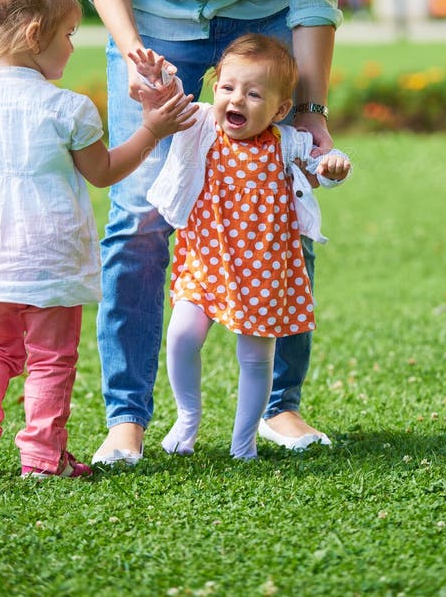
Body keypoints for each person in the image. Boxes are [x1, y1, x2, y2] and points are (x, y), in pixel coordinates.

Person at [79, 0, 343, 466]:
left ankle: (280, 408)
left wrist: (313, 115)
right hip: (153, 18)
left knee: (281, 198)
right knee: (137, 217)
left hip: (257, 12)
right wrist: (134, 54)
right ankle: (127, 418)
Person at [0, 0, 195, 480]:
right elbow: (104, 172)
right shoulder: (69, 108)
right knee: (51, 359)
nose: (70, 47)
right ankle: (41, 456)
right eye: (67, 35)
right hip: (50, 258)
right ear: (35, 35)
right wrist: (153, 129)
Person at [139, 34, 351, 458]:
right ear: (214, 90)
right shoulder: (201, 124)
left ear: (279, 109)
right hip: (206, 262)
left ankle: (244, 441)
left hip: (265, 272)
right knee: (181, 335)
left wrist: (333, 167)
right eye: (228, 88)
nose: (237, 100)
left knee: (256, 360)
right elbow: (170, 96)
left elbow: (316, 169)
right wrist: (156, 77)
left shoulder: (284, 141)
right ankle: (188, 418)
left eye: (254, 94)